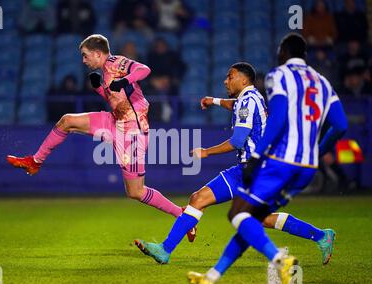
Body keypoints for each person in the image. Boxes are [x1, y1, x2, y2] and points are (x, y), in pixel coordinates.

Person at [187, 33, 348, 284]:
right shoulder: (323, 82)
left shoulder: (278, 75)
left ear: (283, 52)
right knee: (253, 218)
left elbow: (278, 117)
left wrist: (259, 156)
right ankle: (210, 279)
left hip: (282, 160)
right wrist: (317, 153)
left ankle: (280, 261)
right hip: (307, 168)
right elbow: (340, 125)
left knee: (238, 214)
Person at [134, 62, 337, 266]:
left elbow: (237, 141)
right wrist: (212, 100)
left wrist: (205, 152)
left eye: (230, 76)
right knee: (201, 199)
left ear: (244, 79)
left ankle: (320, 236)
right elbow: (234, 105)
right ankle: (165, 250)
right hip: (248, 169)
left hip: (254, 171)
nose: (225, 80)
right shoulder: (250, 98)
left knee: (254, 216)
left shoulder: (247, 101)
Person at [7, 34, 196, 240]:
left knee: (135, 191)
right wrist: (100, 89)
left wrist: (125, 80)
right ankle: (35, 161)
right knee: (67, 120)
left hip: (132, 131)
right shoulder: (105, 72)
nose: (83, 60)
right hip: (114, 121)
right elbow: (116, 98)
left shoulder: (115, 62)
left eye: (85, 56)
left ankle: (183, 215)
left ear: (98, 54)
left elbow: (144, 70)